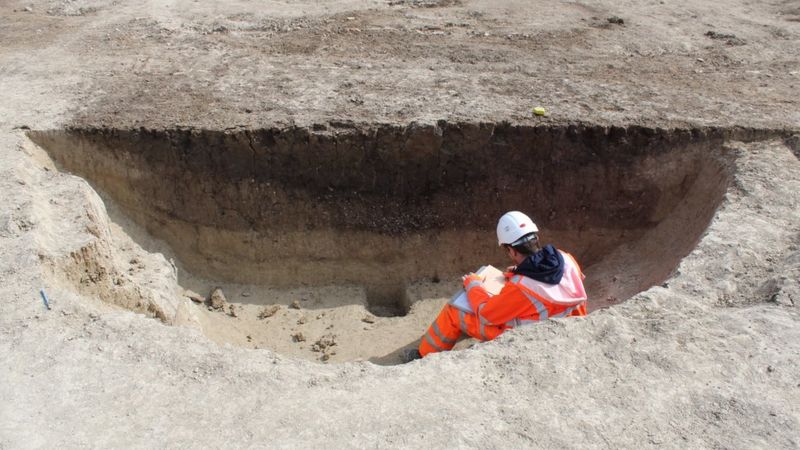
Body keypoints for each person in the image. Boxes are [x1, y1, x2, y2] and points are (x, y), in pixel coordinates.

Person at [406, 211, 588, 361]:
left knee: (454, 311)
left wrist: (474, 285)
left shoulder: (521, 287)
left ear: (512, 250)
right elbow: (555, 283)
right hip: (573, 325)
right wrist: (521, 271)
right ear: (536, 238)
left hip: (535, 337)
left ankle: (423, 356)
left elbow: (487, 315)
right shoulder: (566, 258)